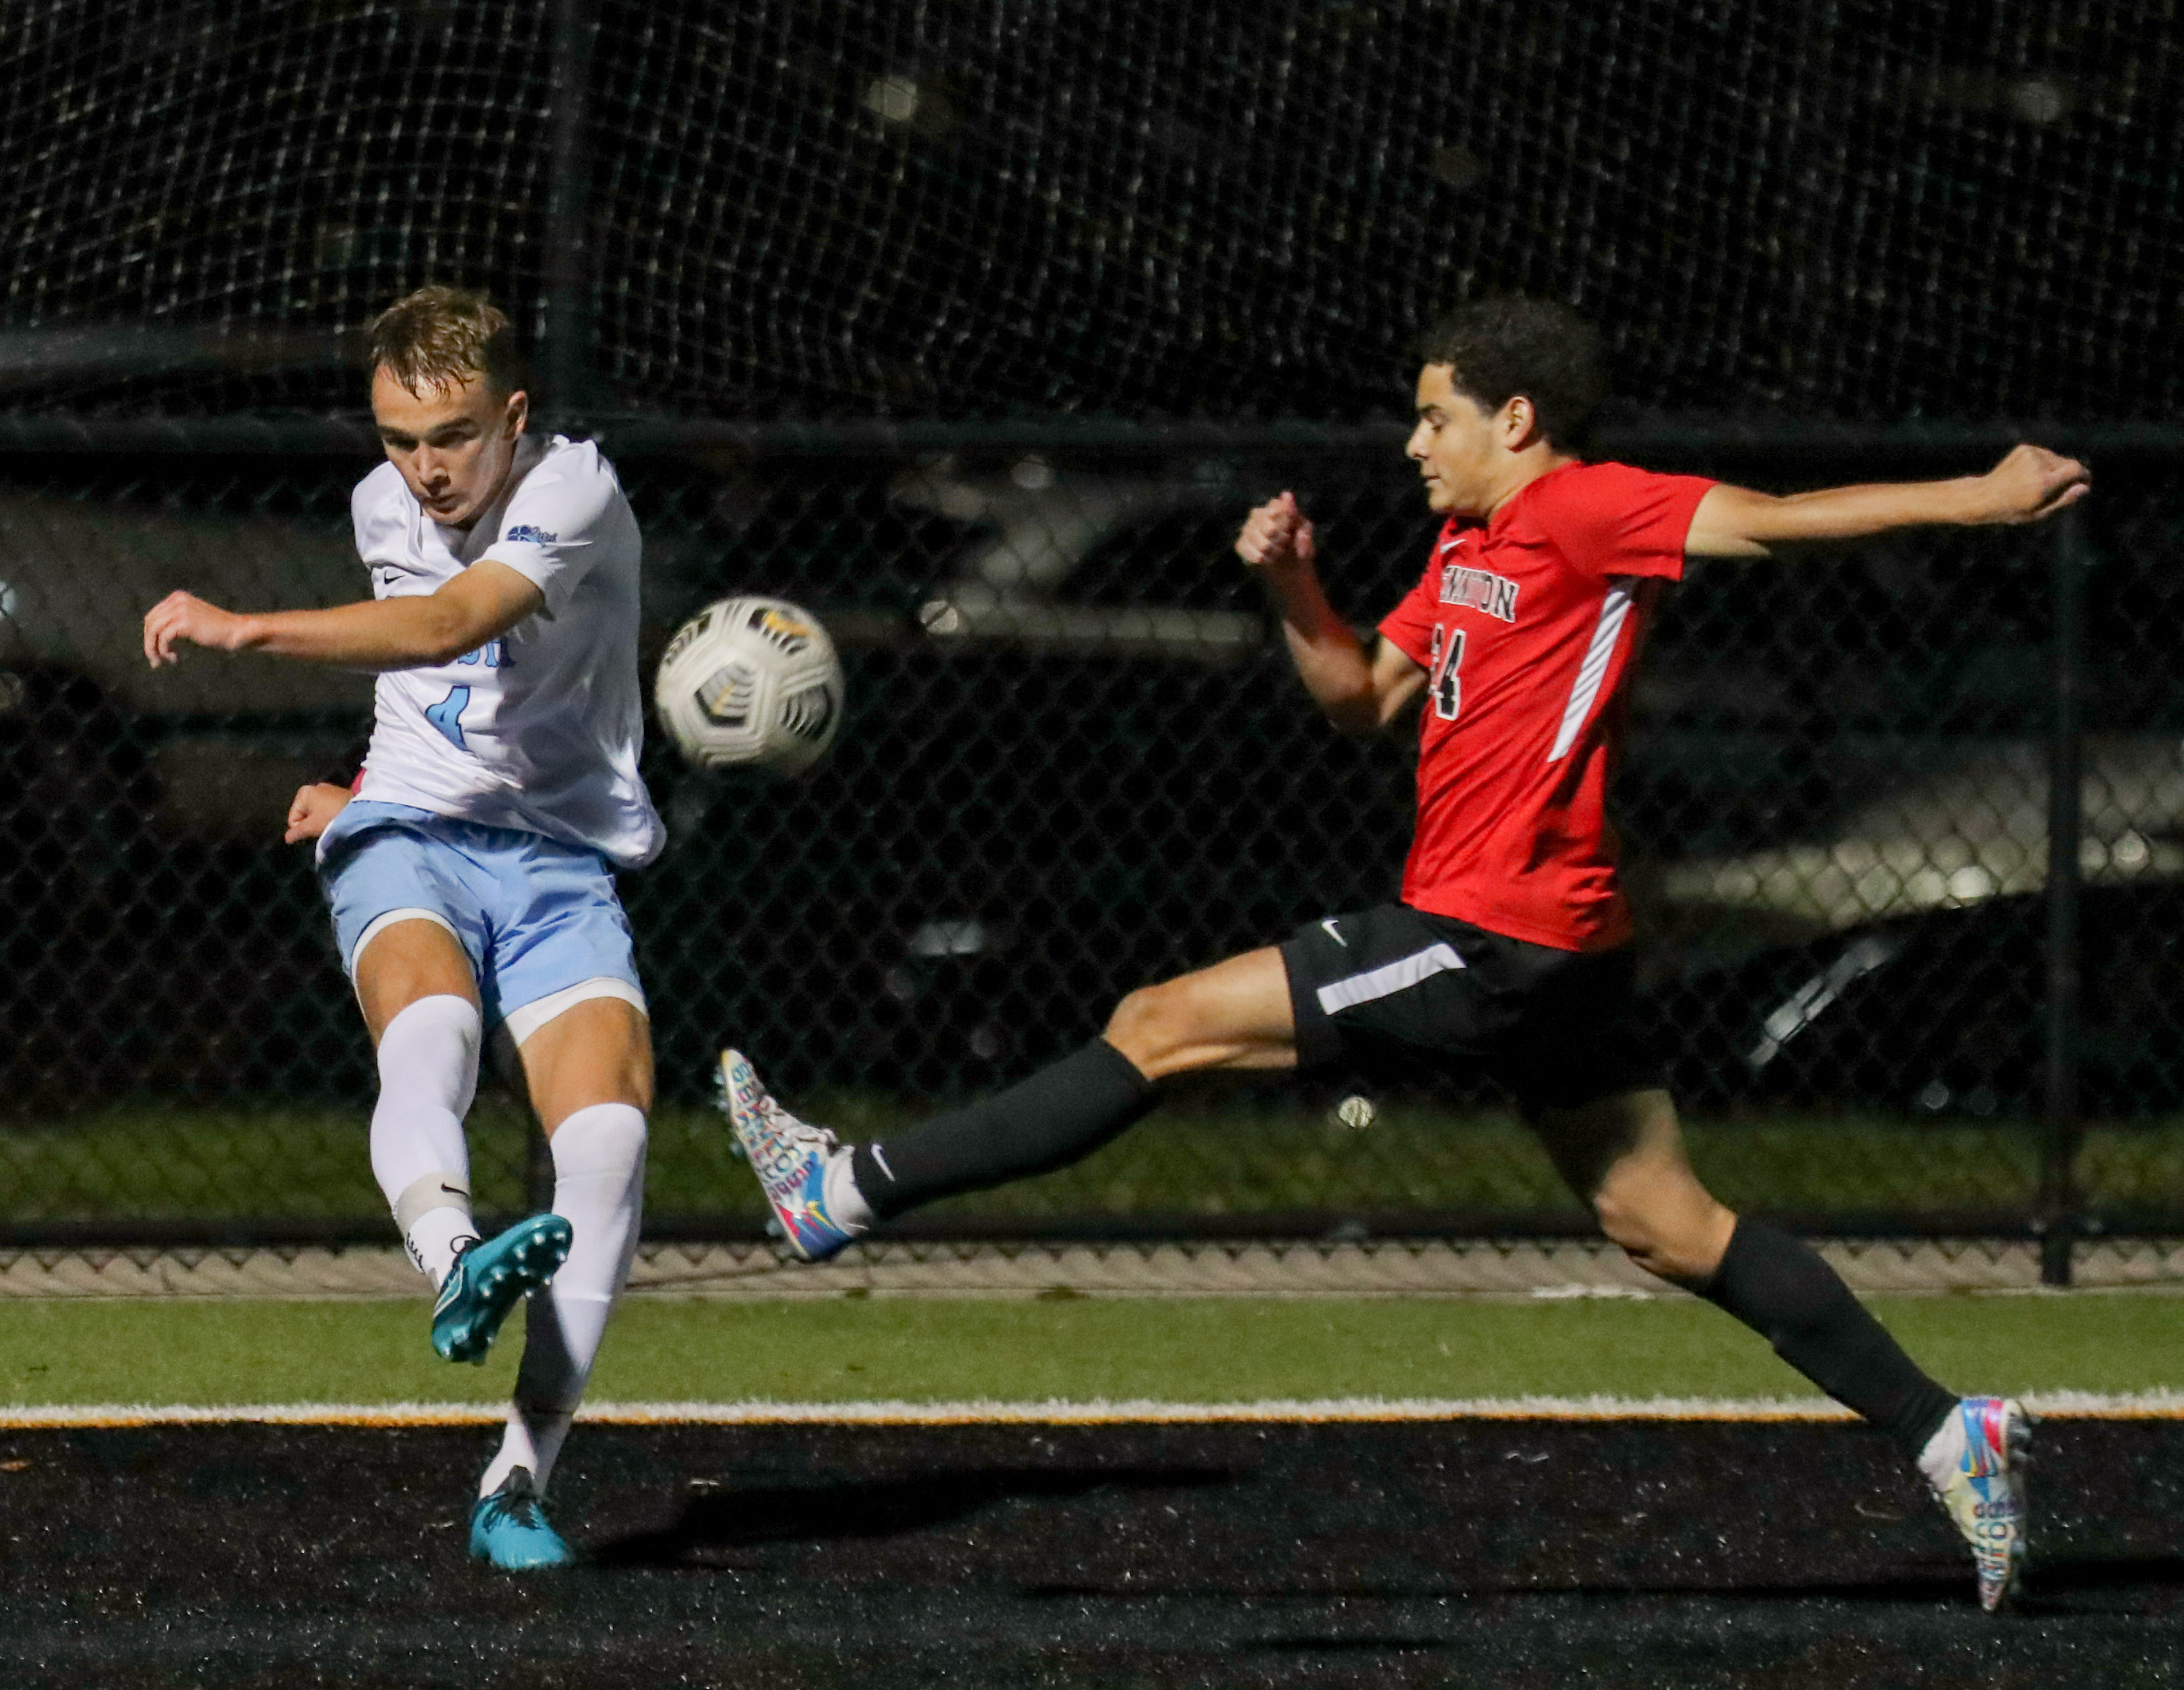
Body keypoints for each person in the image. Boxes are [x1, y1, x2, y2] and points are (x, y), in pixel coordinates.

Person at [717, 299, 2090, 1609]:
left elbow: (1780, 525)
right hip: (1558, 948)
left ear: (1519, 415)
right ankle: (1941, 1431)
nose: (1413, 444)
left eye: (1436, 419)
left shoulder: (1586, 506)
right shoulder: (1470, 552)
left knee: (1157, 1023)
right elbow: (1356, 698)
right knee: (1664, 1225)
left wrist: (1982, 494)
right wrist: (1291, 583)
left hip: (1492, 937)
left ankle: (840, 1190)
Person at [141, 286, 661, 1571]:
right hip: (407, 835)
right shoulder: (383, 502)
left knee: (608, 1136)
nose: (426, 469)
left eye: (455, 435)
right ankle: (454, 1252)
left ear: (515, 415)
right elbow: (430, 699)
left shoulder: (574, 490)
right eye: (399, 438)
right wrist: (365, 795)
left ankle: (517, 1481)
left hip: (557, 864)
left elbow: (447, 626)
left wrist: (243, 624)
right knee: (429, 1030)